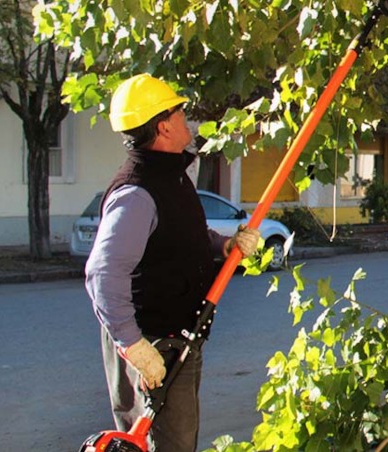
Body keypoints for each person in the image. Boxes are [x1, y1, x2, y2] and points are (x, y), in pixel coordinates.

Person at [85, 73, 260, 452]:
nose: (187, 118)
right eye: (180, 112)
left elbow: (177, 239)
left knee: (177, 441)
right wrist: (135, 348)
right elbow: (102, 274)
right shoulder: (137, 192)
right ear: (164, 126)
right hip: (153, 345)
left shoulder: (170, 177)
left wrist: (225, 246)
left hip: (176, 338)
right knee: (163, 445)